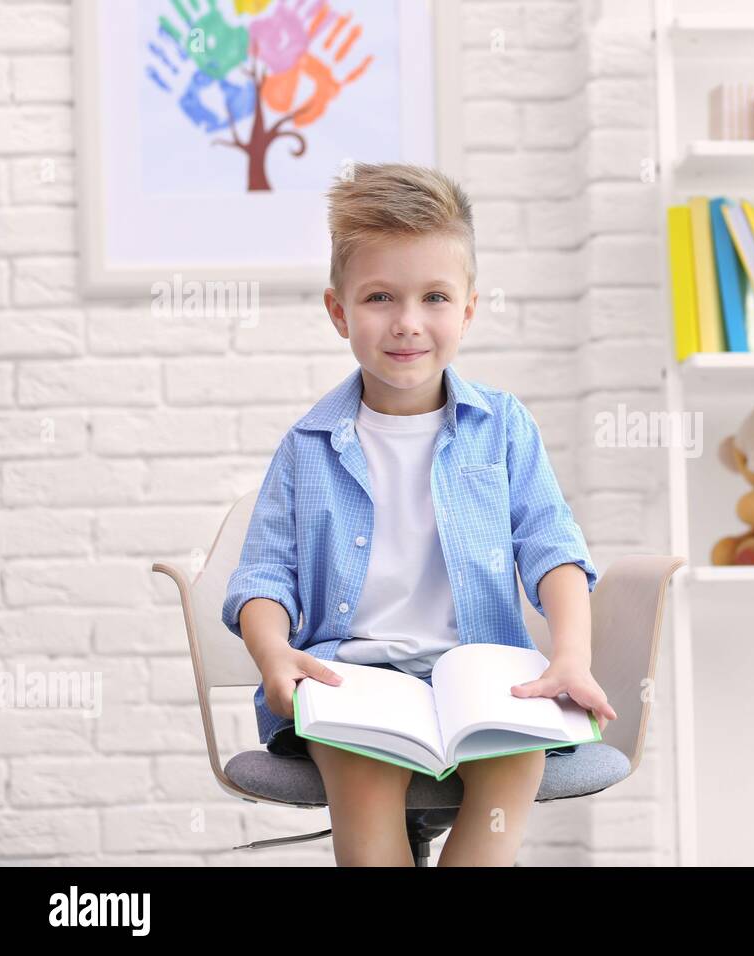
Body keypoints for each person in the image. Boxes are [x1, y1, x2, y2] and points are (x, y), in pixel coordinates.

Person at [221, 162, 615, 866]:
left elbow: (551, 548)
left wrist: (571, 656)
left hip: (485, 675)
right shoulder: (307, 447)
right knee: (365, 787)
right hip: (354, 678)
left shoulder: (503, 428)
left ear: (466, 308)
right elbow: (264, 577)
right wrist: (274, 654)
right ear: (338, 310)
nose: (407, 323)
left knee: (510, 765)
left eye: (434, 296)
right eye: (379, 297)